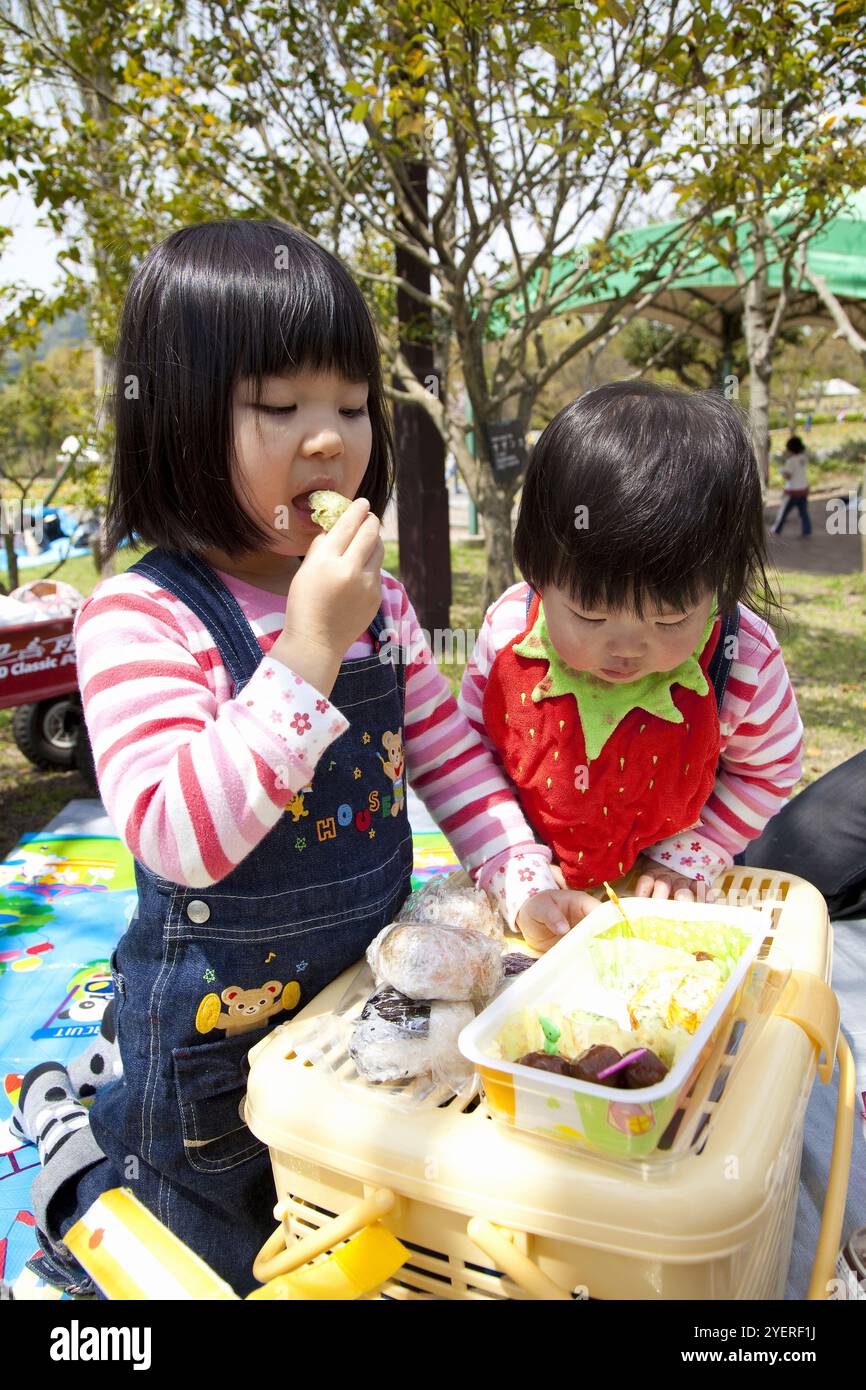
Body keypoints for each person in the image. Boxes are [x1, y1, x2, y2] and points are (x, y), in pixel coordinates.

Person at [10, 219, 598, 1297]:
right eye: (280, 408)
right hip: (206, 1049)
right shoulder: (141, 616)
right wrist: (309, 645)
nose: (328, 440)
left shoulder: (373, 604)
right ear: (177, 422)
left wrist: (523, 879)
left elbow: (447, 752)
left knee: (343, 1244)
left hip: (353, 1014)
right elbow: (180, 839)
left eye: (349, 404)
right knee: (193, 1257)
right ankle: (71, 1147)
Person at [458, 381, 804, 910]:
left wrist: (693, 853)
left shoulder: (743, 661)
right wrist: (513, 860)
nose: (624, 649)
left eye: (669, 621)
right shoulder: (511, 632)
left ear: (721, 585)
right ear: (536, 569)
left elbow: (770, 769)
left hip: (660, 898)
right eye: (590, 615)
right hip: (528, 884)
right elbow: (470, 757)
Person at [771, 435, 812, 536]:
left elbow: (788, 476)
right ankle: (807, 530)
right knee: (803, 512)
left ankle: (777, 529)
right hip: (803, 489)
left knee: (783, 511)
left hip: (792, 490)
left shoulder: (790, 461)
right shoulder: (803, 458)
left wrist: (782, 471)